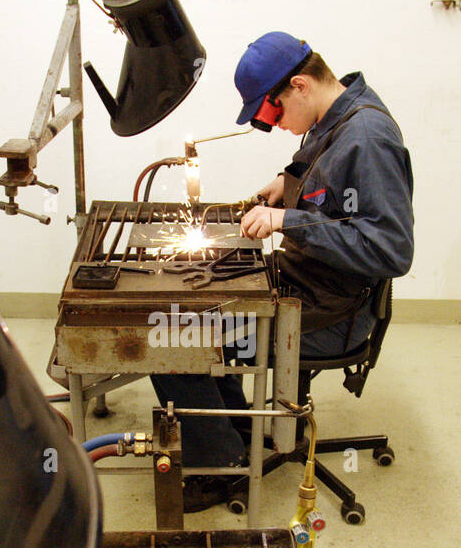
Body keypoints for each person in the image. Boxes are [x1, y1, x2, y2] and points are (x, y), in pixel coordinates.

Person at [150, 31, 415, 511]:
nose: (277, 126)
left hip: (328, 316)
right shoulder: (336, 113)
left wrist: (289, 220)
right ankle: (237, 430)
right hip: (305, 284)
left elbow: (392, 249)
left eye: (274, 114)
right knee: (200, 306)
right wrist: (286, 183)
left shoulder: (368, 138)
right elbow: (322, 180)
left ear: (299, 85)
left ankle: (222, 469)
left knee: (172, 336)